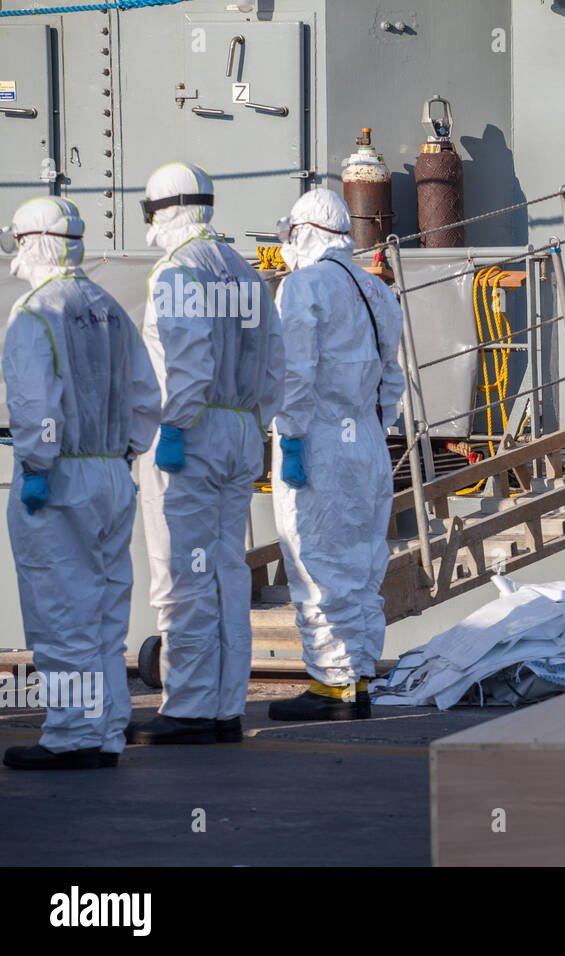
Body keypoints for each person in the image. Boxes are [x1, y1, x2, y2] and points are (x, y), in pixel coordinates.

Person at [0, 198, 160, 770]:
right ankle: (106, 728)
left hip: (60, 478)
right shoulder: (109, 308)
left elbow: (33, 405)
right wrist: (122, 454)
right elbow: (147, 399)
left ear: (32, 242)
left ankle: (72, 736)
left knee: (60, 610)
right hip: (112, 475)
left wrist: (38, 467)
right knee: (102, 614)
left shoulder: (34, 313)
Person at [127, 162, 284, 745]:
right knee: (223, 571)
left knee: (182, 576)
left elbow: (186, 362)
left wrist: (172, 426)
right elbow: (274, 366)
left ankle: (188, 708)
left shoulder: (176, 271)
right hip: (242, 431)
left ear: (161, 210)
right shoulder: (245, 273)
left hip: (189, 437)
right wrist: (259, 426)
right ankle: (223, 708)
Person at [266, 189, 405, 721]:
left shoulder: (302, 288)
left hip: (320, 441)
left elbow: (295, 373)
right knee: (364, 562)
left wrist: (293, 436)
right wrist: (371, 427)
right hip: (367, 441)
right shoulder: (376, 289)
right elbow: (392, 377)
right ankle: (359, 677)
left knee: (317, 561)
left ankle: (332, 685)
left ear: (303, 232)